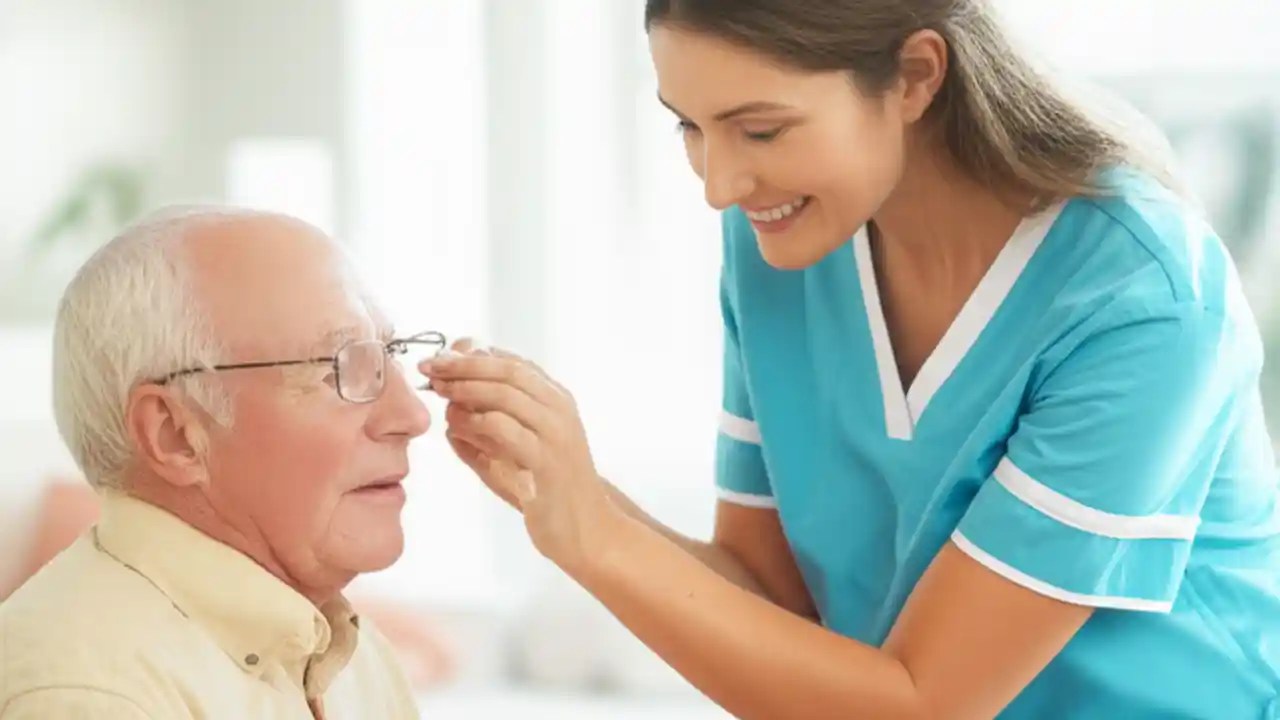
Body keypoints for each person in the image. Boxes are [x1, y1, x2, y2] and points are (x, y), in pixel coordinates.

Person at [421, 1, 1280, 718]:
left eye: (760, 129)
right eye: (691, 126)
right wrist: (567, 492)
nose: (719, 184)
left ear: (916, 77)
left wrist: (597, 537)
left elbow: (923, 704)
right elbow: (767, 603)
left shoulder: (1144, 301)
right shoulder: (780, 244)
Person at [0, 207, 438, 719]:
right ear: (176, 436)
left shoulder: (351, 656)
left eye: (390, 356)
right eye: (341, 368)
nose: (412, 416)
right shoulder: (87, 693)